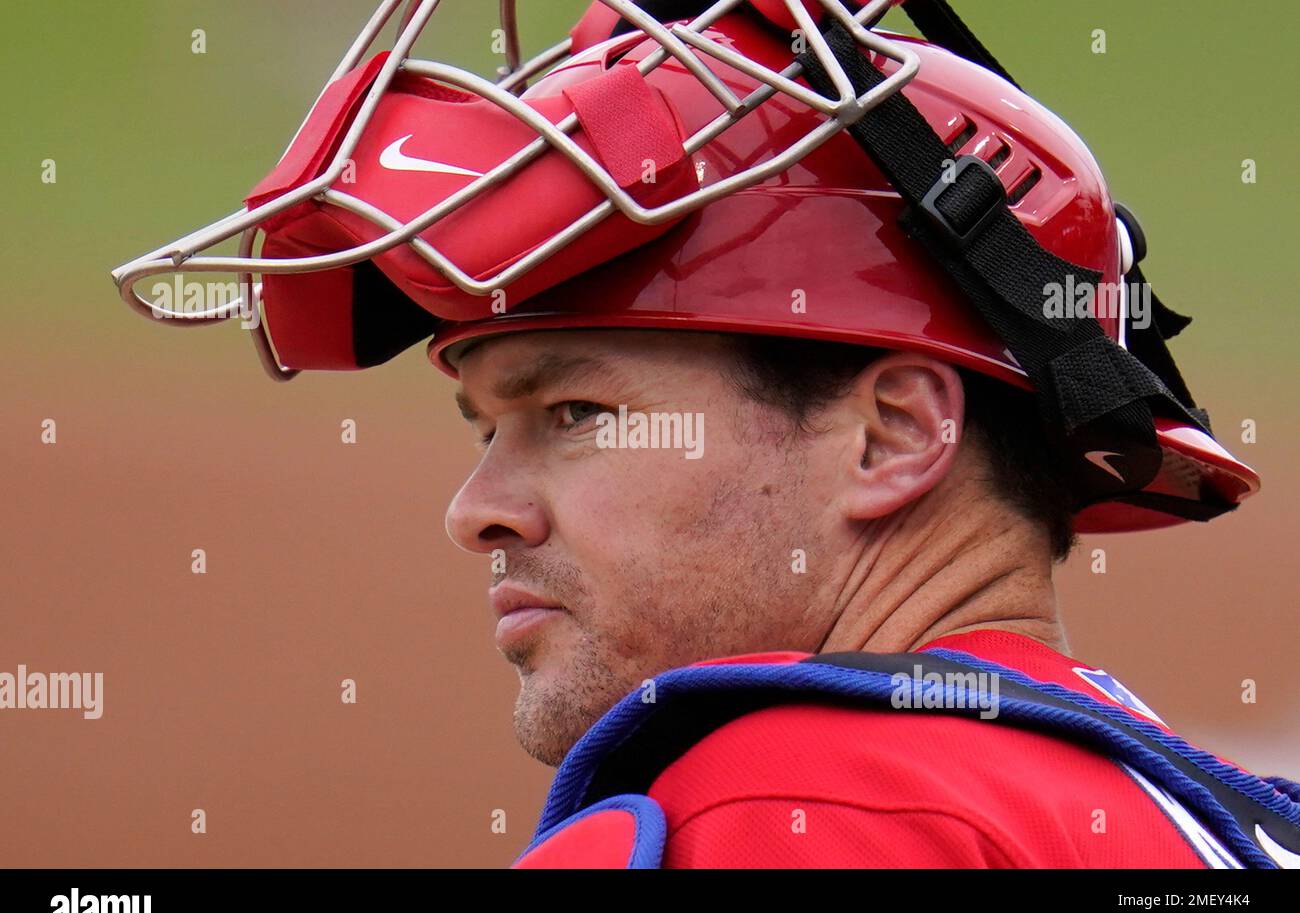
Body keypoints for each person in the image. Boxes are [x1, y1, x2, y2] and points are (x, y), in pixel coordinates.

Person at [112, 0, 1299, 868]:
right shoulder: (1182, 809)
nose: (476, 508)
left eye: (574, 413)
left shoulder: (797, 809)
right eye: (485, 425)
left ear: (888, 437)